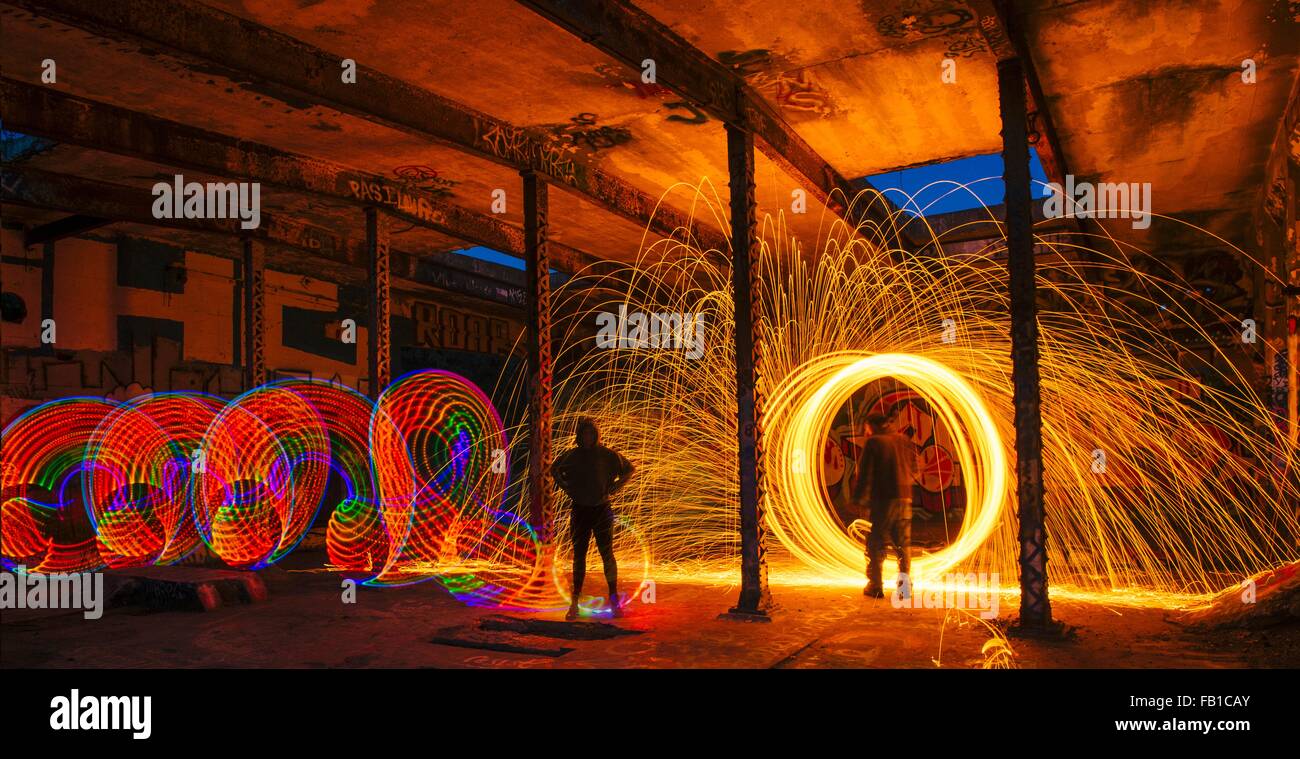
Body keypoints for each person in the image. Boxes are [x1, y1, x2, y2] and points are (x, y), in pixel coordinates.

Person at [551, 417, 635, 621]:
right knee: (579, 557)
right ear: (579, 436)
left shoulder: (607, 455)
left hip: (602, 509)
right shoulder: (572, 455)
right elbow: (554, 470)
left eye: (591, 433)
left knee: (608, 555)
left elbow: (630, 469)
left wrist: (617, 486)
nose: (587, 437)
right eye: (584, 434)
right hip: (580, 510)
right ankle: (574, 603)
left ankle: (613, 600)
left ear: (596, 435)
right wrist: (566, 487)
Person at [852, 413, 918, 598]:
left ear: (872, 425)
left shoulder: (874, 442)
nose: (866, 431)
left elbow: (865, 474)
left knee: (876, 543)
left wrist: (858, 499)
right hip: (905, 498)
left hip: (883, 499)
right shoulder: (903, 440)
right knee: (902, 545)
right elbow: (915, 469)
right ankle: (904, 588)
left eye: (866, 427)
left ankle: (875, 586)